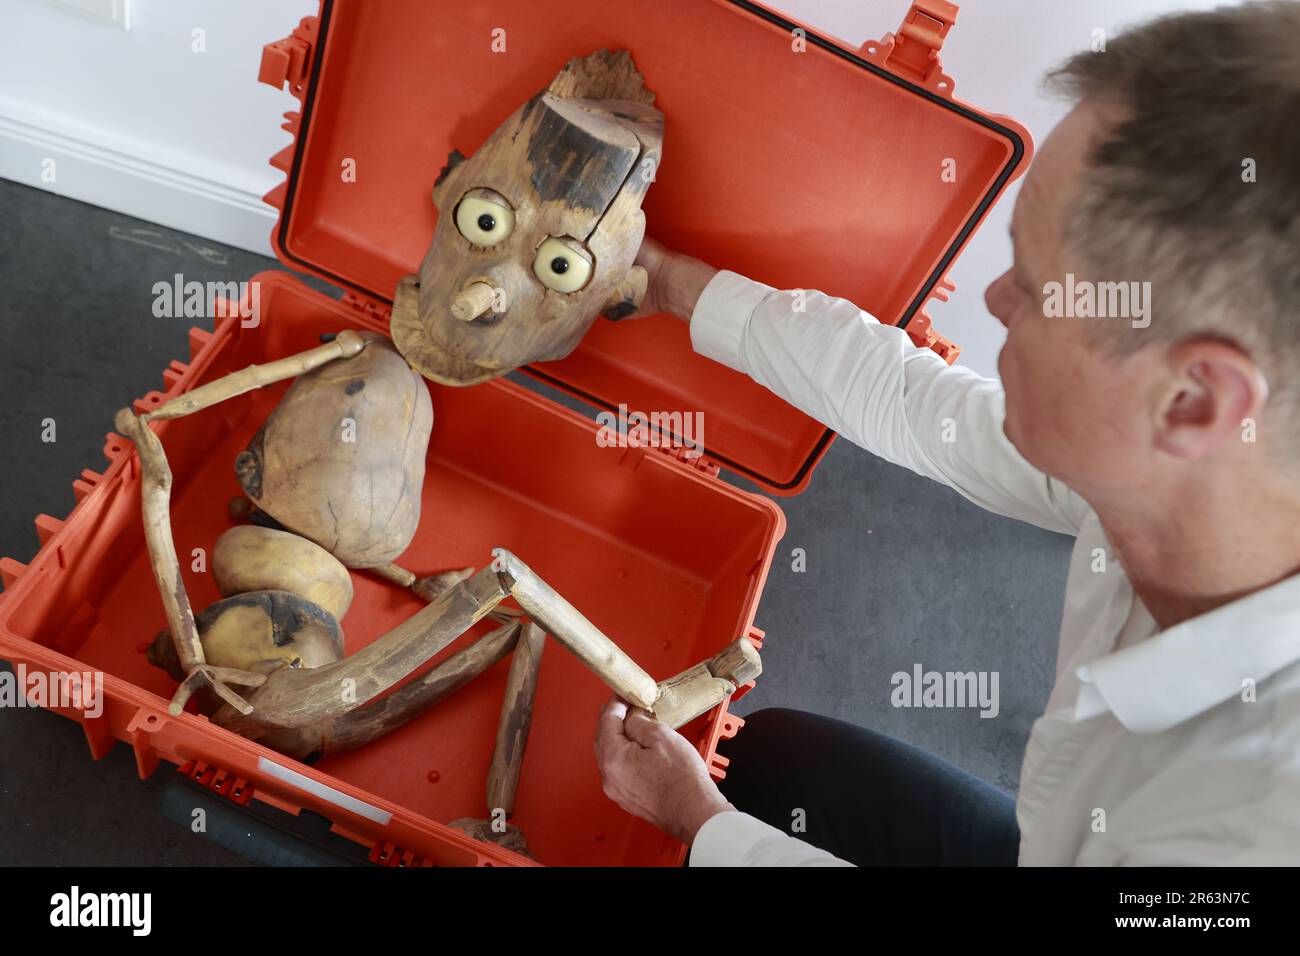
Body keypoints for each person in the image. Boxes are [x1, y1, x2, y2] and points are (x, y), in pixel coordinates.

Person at [593, 1, 1300, 866]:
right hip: (1059, 831)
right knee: (776, 763)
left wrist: (700, 828)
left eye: (1039, 288)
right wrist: (671, 284)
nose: (995, 302)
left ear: (1194, 399)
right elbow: (916, 402)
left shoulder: (1244, 836)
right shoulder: (1193, 464)